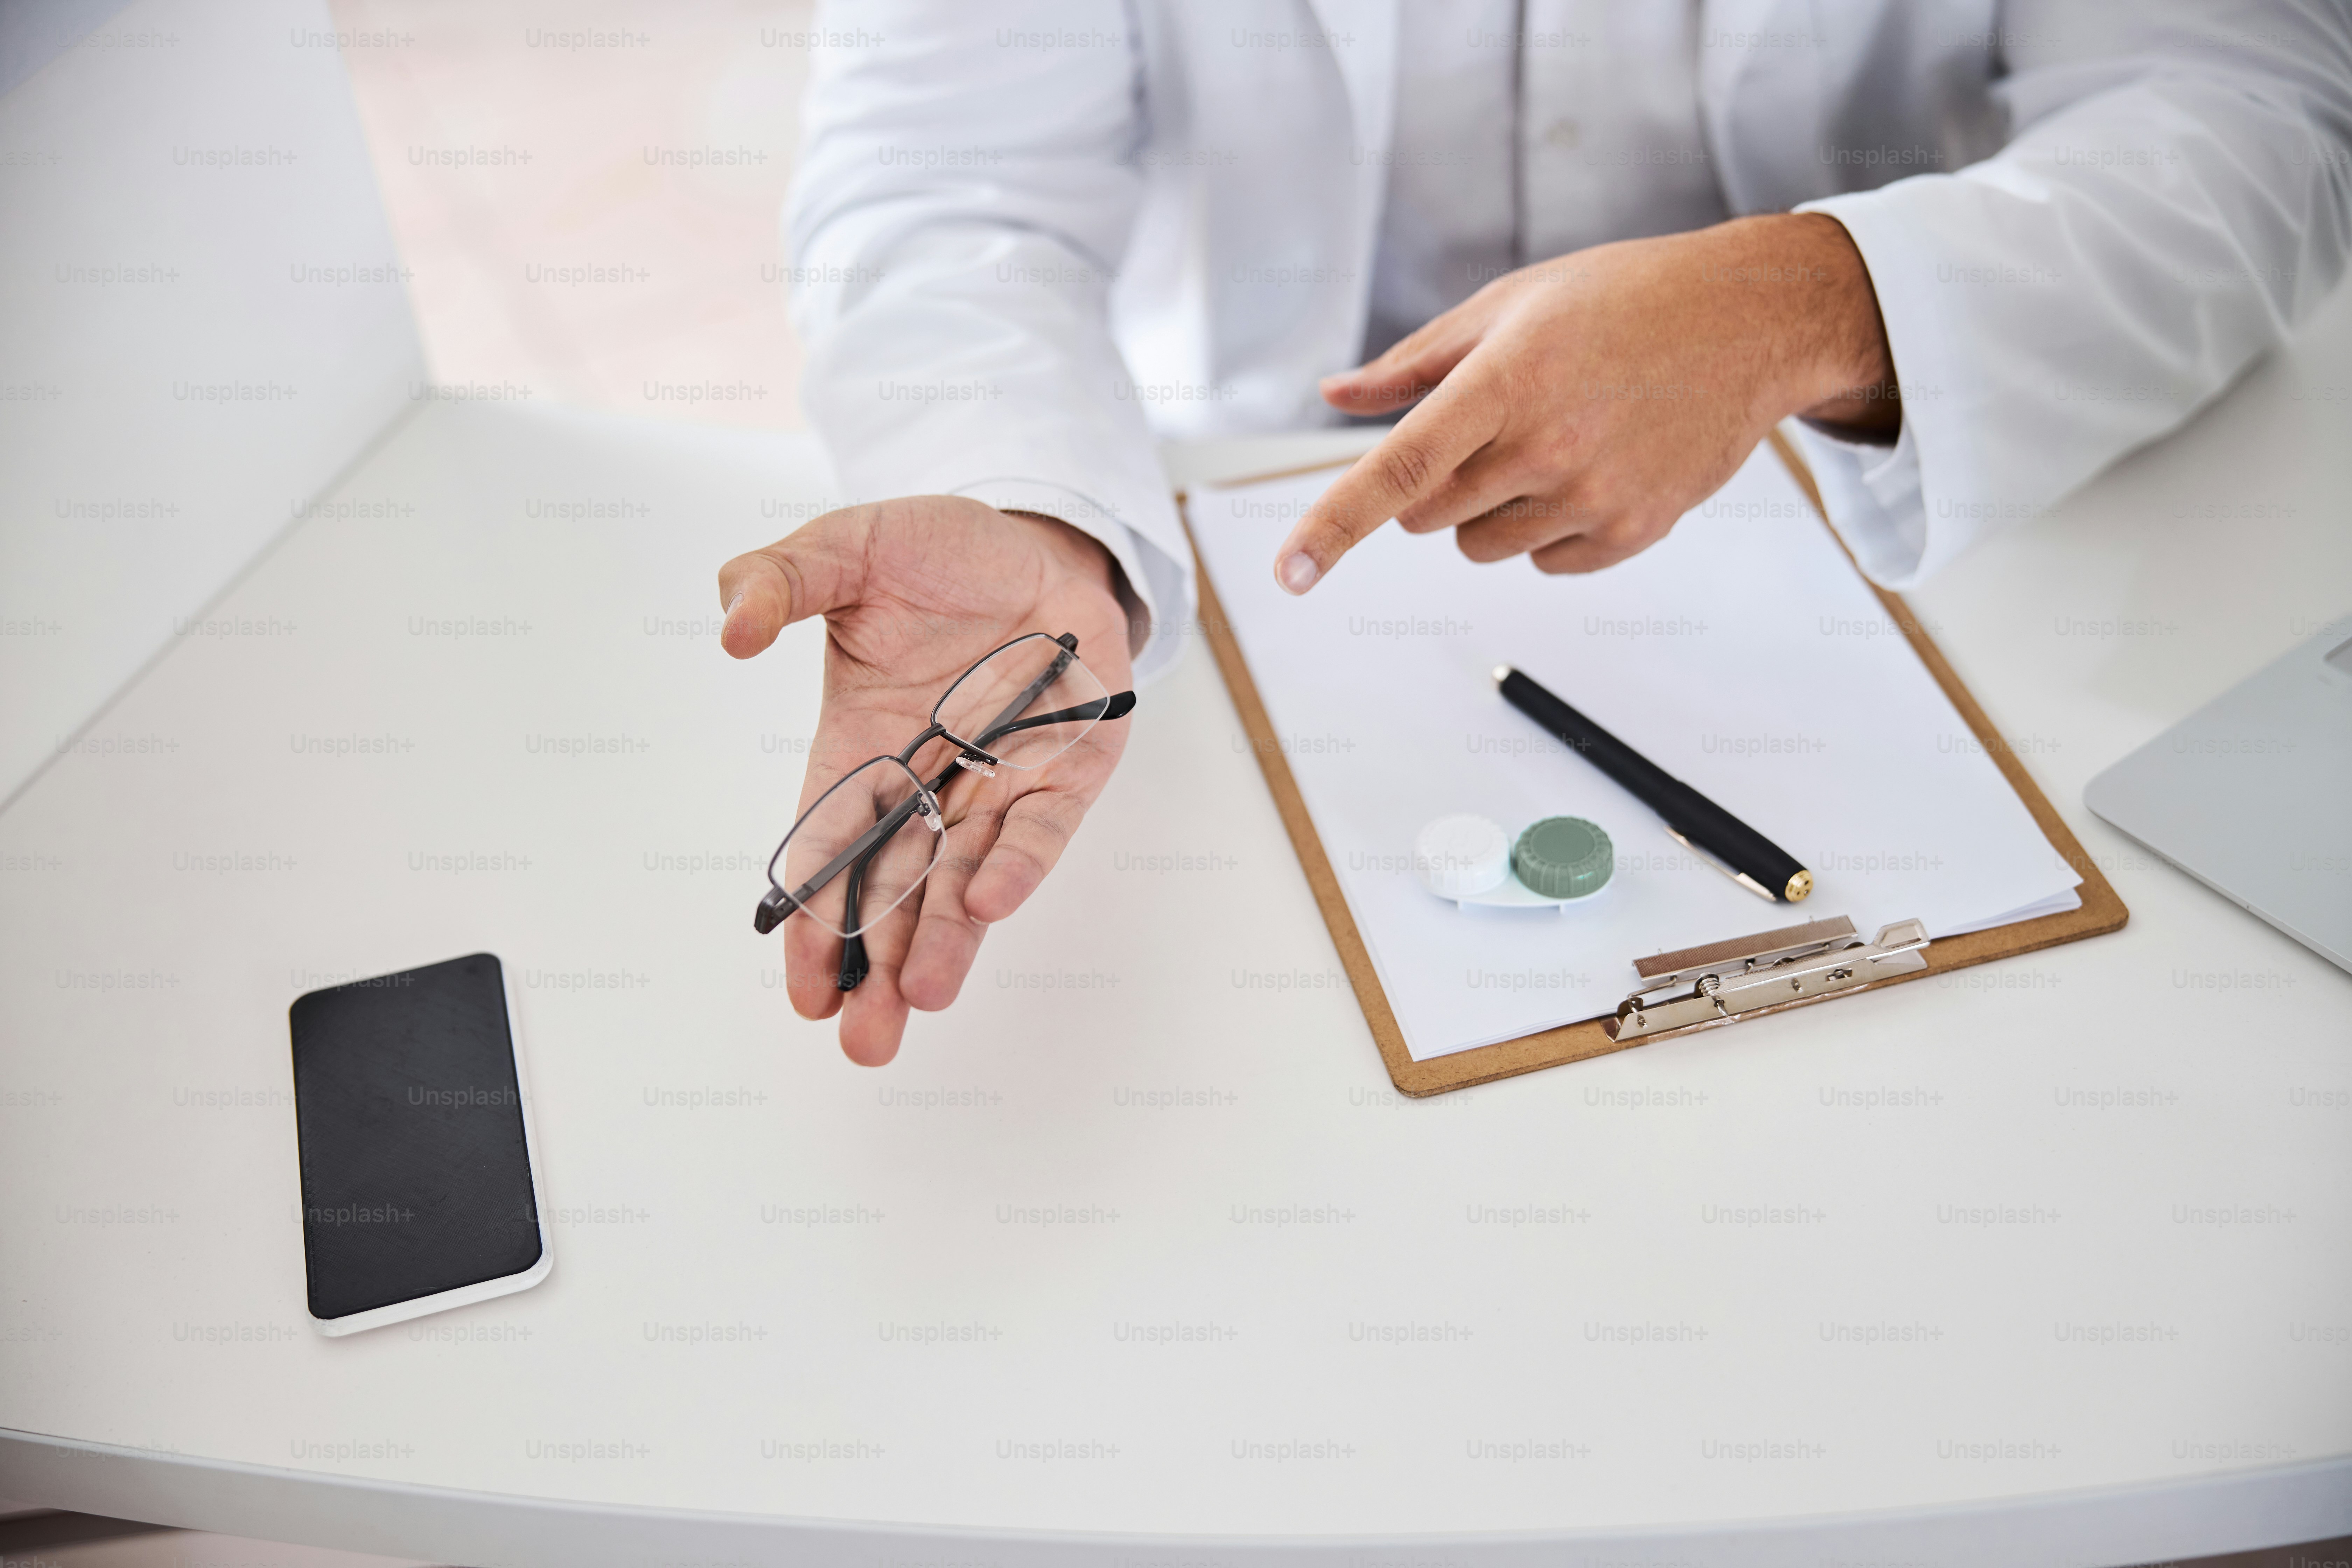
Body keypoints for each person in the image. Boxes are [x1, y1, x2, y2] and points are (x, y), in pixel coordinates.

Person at [716, 0, 2352, 1063]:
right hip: (1245, 518)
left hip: (1928, 468)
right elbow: (939, 185)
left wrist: (1815, 300)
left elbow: (2255, 110)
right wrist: (1031, 504)